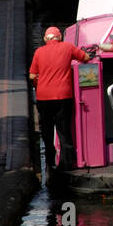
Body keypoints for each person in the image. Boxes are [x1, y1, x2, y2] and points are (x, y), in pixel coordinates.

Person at [28, 25, 89, 173]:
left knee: (47, 132)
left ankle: (50, 164)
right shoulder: (68, 47)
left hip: (43, 98)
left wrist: (38, 84)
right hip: (63, 96)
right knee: (64, 131)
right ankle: (66, 164)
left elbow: (31, 76)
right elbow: (85, 57)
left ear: (44, 39)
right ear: (59, 37)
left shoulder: (39, 52)